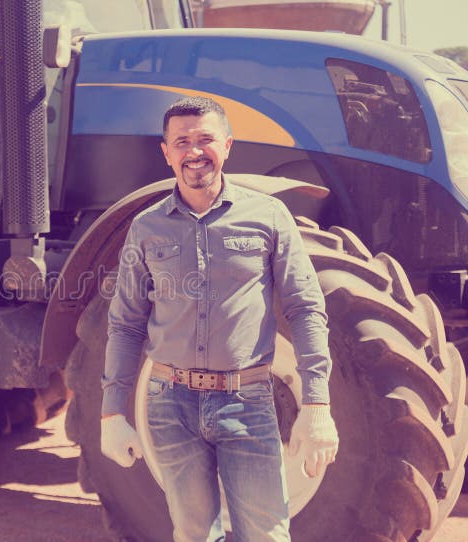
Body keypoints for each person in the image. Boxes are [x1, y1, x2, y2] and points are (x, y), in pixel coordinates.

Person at [100, 96, 339, 542]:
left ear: (227, 145)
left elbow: (306, 308)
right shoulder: (146, 227)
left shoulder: (268, 217)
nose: (194, 151)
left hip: (246, 400)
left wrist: (317, 406)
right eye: (182, 142)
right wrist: (112, 412)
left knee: (266, 535)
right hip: (170, 404)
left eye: (205, 139)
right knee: (193, 535)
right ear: (166, 152)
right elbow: (126, 323)